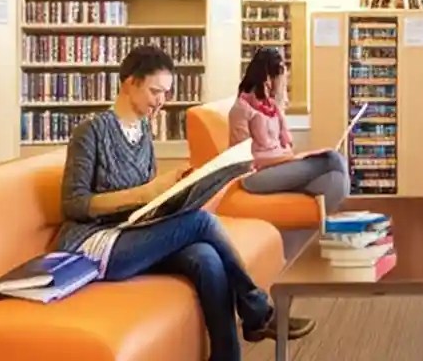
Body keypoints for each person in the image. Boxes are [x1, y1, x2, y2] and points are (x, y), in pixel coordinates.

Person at [53, 45, 314, 360]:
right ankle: (257, 311)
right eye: (155, 91)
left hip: (133, 233)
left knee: (206, 258)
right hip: (95, 244)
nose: (161, 100)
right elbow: (74, 204)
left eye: (165, 92)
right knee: (201, 223)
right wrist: (144, 194)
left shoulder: (144, 133)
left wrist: (172, 196)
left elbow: (143, 202)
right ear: (128, 84)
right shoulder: (90, 132)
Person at [229, 47, 350, 213]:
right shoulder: (241, 109)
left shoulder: (273, 106)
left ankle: (310, 234)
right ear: (267, 79)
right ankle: (316, 229)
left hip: (281, 167)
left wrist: (288, 159)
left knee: (336, 181)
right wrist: (285, 159)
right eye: (281, 78)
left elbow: (285, 146)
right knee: (332, 160)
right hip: (256, 175)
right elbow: (241, 162)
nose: (283, 84)